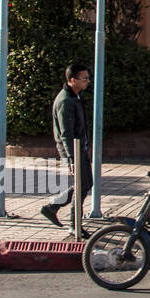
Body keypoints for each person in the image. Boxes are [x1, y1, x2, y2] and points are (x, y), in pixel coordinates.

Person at [41, 64, 93, 237]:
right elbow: (66, 134)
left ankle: (54, 207)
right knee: (82, 185)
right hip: (74, 151)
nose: (87, 81)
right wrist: (72, 158)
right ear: (72, 80)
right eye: (84, 78)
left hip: (79, 149)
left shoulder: (75, 97)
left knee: (85, 184)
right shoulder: (66, 101)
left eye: (87, 77)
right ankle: (72, 222)